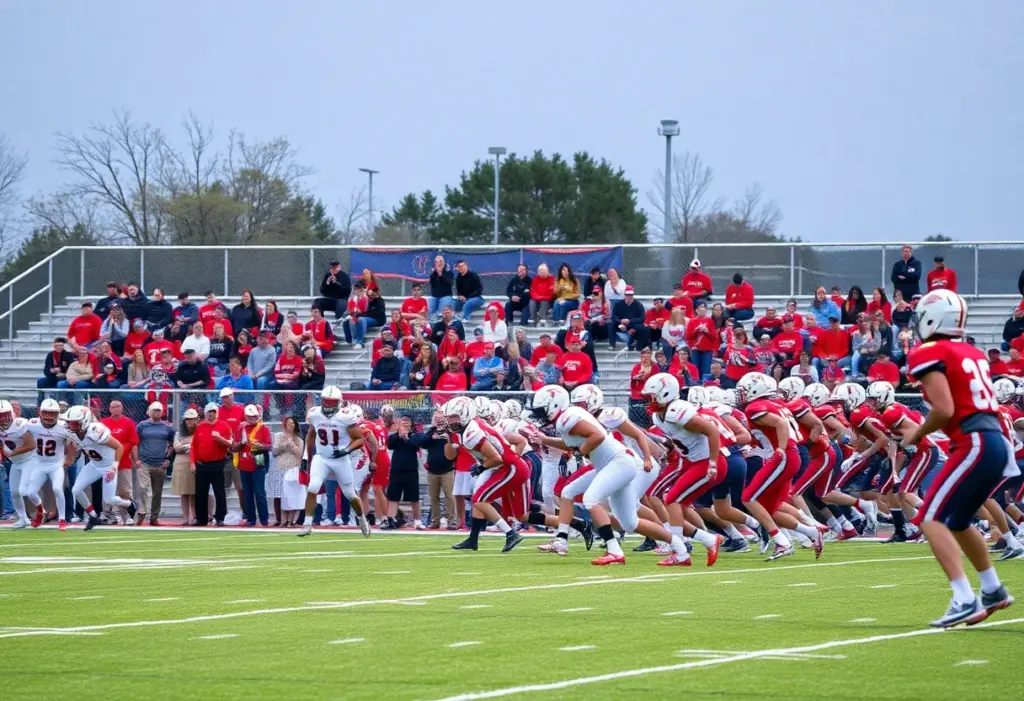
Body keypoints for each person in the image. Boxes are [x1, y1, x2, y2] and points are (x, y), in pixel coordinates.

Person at [903, 289, 1017, 626]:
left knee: (929, 517)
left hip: (974, 440)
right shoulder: (971, 351)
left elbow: (944, 409)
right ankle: (993, 589)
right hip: (993, 440)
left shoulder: (929, 352)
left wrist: (918, 433)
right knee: (958, 520)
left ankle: (965, 598)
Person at [297, 386, 371, 537]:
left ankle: (362, 519)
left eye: (332, 402)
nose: (329, 404)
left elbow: (359, 440)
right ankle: (307, 523)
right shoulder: (315, 413)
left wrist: (345, 450)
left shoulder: (346, 416)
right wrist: (306, 457)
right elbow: (311, 436)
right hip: (322, 457)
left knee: (350, 494)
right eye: (326, 401)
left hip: (340, 458)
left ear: (339, 402)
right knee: (313, 487)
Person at [65, 406, 138, 531]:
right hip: (94, 464)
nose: (71, 425)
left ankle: (130, 504)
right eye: (69, 422)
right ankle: (93, 517)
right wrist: (70, 458)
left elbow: (119, 446)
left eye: (75, 423)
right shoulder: (73, 433)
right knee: (76, 490)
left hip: (108, 466)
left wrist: (114, 466)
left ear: (85, 421)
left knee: (109, 499)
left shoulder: (95, 430)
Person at [190, 402, 231, 526]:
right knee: (200, 492)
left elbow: (229, 443)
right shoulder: (200, 427)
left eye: (213, 412)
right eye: (209, 412)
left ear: (216, 413)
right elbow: (194, 446)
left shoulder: (224, 426)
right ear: (206, 413)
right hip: (202, 464)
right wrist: (192, 462)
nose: (211, 414)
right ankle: (201, 518)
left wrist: (220, 439)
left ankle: (220, 517)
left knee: (219, 492)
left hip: (217, 463)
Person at [135, 402, 176, 526]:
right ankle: (141, 512)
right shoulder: (141, 426)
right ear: (149, 411)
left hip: (159, 463)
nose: (156, 412)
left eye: (158, 410)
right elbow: (135, 442)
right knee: (142, 488)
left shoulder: (168, 428)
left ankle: (154, 517)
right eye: (154, 410)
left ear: (162, 412)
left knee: (157, 492)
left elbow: (173, 444)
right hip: (144, 461)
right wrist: (136, 459)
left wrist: (168, 460)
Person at [382, 416, 424, 530]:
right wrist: (398, 435)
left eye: (407, 422)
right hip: (396, 470)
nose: (405, 424)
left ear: (411, 424)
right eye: (403, 422)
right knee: (393, 497)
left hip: (411, 470)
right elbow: (389, 445)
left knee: (413, 497)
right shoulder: (395, 436)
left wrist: (405, 437)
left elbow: (415, 446)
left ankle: (417, 520)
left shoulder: (415, 436)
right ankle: (391, 519)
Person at [233, 404, 271, 527]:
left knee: (259, 491)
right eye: (249, 417)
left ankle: (264, 518)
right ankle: (251, 518)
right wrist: (240, 444)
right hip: (244, 461)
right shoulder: (240, 428)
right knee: (247, 492)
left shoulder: (263, 428)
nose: (252, 419)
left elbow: (268, 446)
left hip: (258, 458)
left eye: (254, 416)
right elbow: (235, 445)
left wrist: (258, 445)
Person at [270, 415, 303, 527]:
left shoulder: (299, 440)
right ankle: (279, 519)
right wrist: (284, 444)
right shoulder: (278, 436)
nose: (291, 425)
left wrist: (292, 443)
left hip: (293, 468)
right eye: (289, 423)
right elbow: (274, 451)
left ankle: (290, 521)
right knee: (278, 494)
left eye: (293, 423)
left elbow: (299, 454)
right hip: (280, 468)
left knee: (291, 495)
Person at [171, 407, 199, 526]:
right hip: (181, 463)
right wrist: (190, 444)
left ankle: (194, 517)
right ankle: (186, 519)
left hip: (195, 461)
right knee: (184, 492)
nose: (190, 422)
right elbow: (176, 448)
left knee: (194, 492)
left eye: (192, 419)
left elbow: (198, 445)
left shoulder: (200, 431)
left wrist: (185, 444)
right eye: (188, 419)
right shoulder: (179, 432)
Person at [611, 285, 649, 351]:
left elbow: (642, 318)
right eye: (627, 295)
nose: (629, 296)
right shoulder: (618, 304)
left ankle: (638, 345)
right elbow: (613, 317)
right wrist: (621, 322)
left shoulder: (638, 304)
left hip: (633, 325)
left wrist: (630, 321)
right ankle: (612, 345)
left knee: (642, 327)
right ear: (624, 295)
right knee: (611, 325)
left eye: (631, 295)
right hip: (621, 324)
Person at [685, 302, 716, 377]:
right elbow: (688, 336)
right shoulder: (692, 321)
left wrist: (706, 331)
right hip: (695, 349)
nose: (702, 309)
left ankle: (705, 384)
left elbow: (714, 337)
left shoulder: (710, 321)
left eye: (704, 307)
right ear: (696, 310)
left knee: (706, 370)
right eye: (700, 307)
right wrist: (696, 330)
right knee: (695, 370)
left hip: (707, 350)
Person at [427, 255, 456, 320]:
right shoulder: (433, 274)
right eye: (437, 262)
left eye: (441, 261)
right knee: (429, 308)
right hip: (435, 297)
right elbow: (433, 285)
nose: (439, 264)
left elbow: (451, 283)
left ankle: (440, 321)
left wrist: (441, 274)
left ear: (444, 262)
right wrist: (436, 273)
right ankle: (431, 324)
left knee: (441, 311)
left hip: (446, 296)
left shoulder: (449, 273)